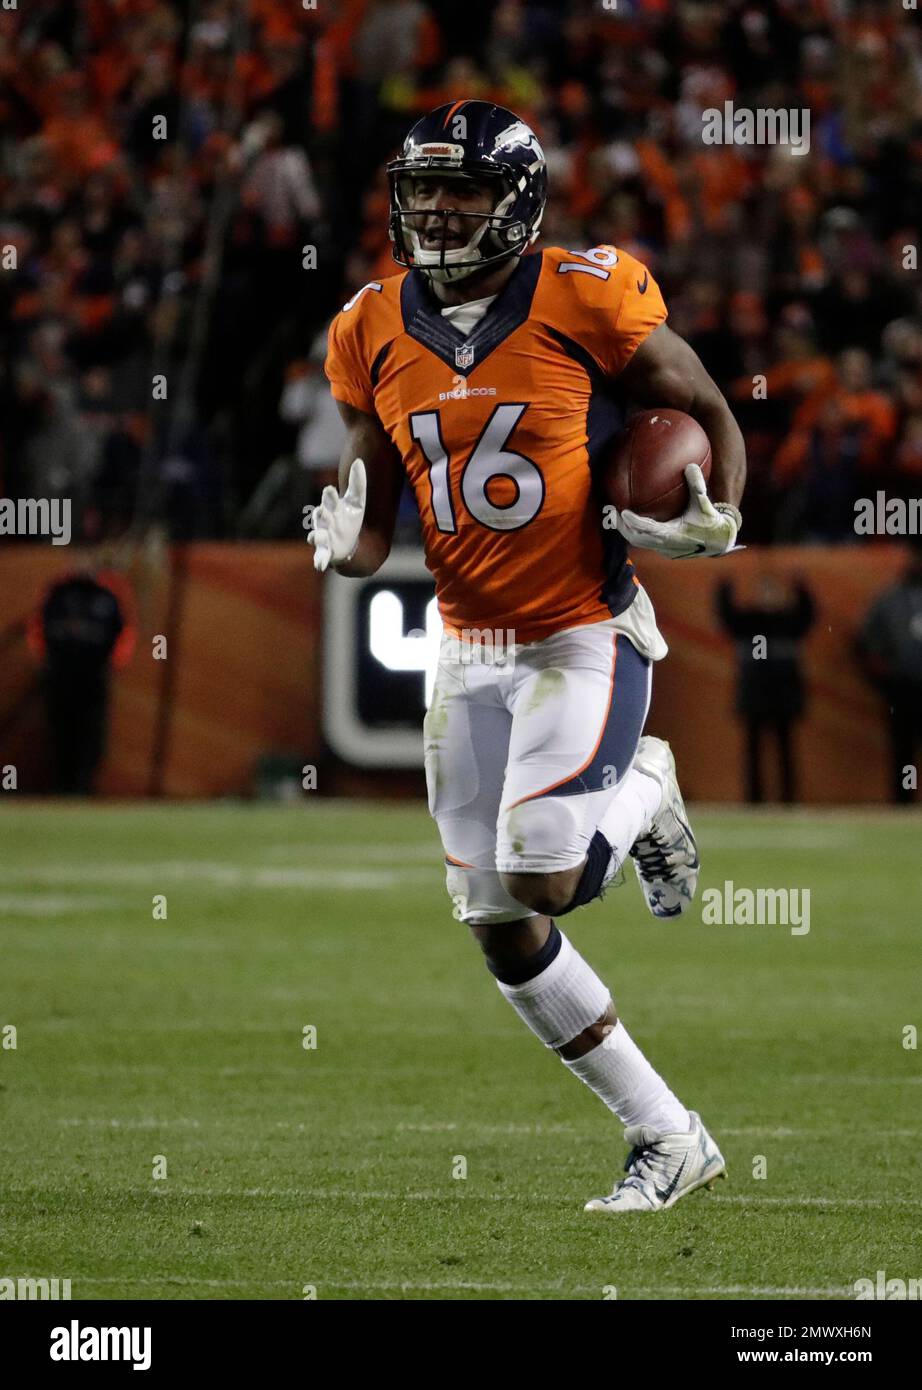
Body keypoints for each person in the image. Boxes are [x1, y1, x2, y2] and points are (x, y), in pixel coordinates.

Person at [308, 102, 746, 1214]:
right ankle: (668, 1134)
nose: (439, 211)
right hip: (464, 645)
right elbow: (373, 499)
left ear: (515, 198)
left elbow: (701, 408)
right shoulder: (366, 325)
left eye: (461, 191)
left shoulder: (584, 292)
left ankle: (646, 786)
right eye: (424, 191)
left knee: (545, 870)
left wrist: (720, 514)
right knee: (500, 921)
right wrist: (345, 545)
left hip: (578, 627)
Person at [28, 568, 135, 794]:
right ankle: (63, 784)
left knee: (92, 734)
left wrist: (113, 665)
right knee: (62, 731)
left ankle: (84, 784)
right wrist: (46, 661)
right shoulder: (58, 592)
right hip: (60, 675)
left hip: (94, 677)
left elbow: (125, 631)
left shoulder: (108, 595)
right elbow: (38, 626)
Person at [716, 574, 815, 803]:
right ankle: (754, 799)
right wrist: (725, 588)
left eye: (773, 592)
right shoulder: (749, 620)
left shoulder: (788, 621)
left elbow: (808, 616)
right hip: (755, 693)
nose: (768, 598)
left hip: (784, 694)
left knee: (785, 749)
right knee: (754, 750)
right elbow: (726, 617)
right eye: (765, 592)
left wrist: (801, 587)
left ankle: (788, 798)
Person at [855, 541, 922, 804]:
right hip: (904, 690)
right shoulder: (889, 600)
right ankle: (903, 805)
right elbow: (866, 645)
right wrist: (886, 682)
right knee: (902, 751)